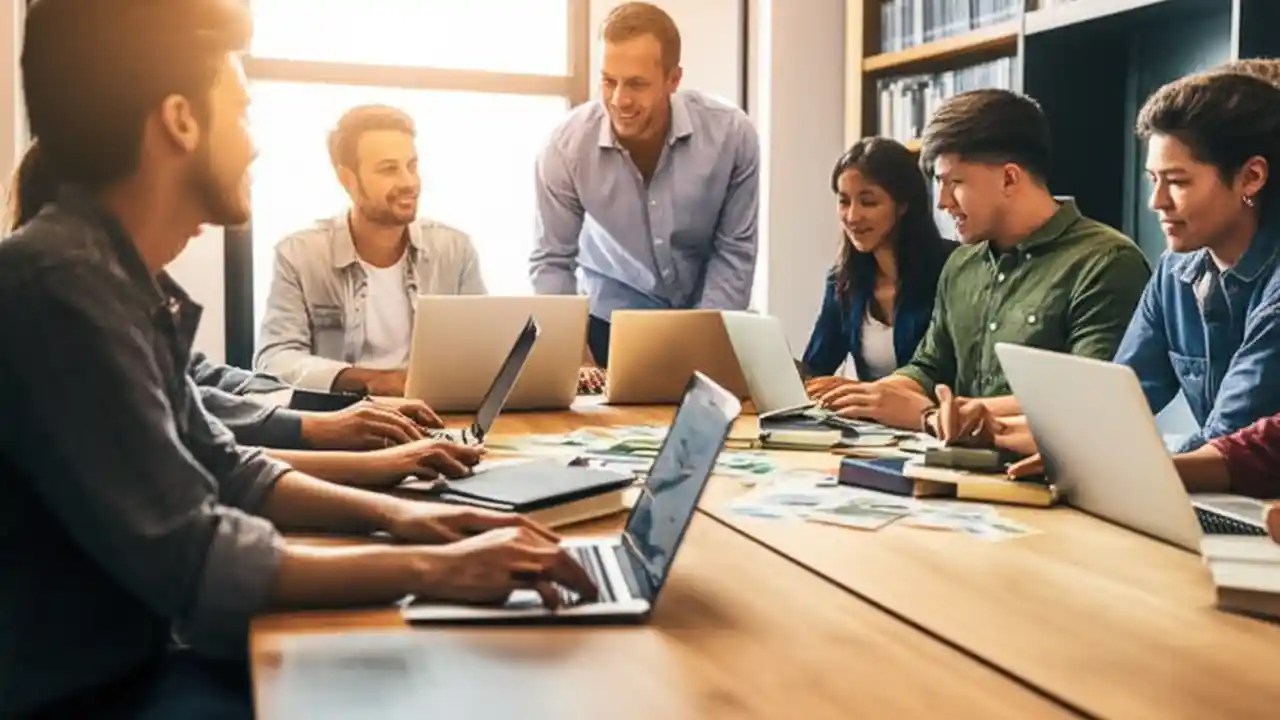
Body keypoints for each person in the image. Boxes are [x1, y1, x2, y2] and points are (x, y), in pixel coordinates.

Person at [1, 2, 593, 716]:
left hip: (143, 662)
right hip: (94, 696)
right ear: (181, 121)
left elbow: (228, 470)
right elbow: (200, 556)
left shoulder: (117, 280)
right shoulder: (58, 290)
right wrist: (439, 567)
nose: (254, 146)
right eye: (243, 112)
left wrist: (415, 519)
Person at [8, 141, 449, 453]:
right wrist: (336, 419)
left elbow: (207, 381)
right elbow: (209, 450)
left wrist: (336, 412)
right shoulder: (68, 315)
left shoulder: (138, 296)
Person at [807, 89, 1151, 432]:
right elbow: (929, 366)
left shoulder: (1105, 263)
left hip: (1049, 477)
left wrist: (936, 414)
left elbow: (1087, 398)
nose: (941, 202)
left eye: (954, 182)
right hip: (956, 467)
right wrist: (871, 395)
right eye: (938, 184)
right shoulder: (961, 265)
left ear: (1009, 178)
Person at [531, 1, 759, 367]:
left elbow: (734, 254)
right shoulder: (565, 148)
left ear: (674, 79)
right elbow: (553, 261)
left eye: (636, 84)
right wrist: (571, 351)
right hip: (607, 325)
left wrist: (702, 346)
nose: (620, 100)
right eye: (608, 81)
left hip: (705, 315)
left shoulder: (732, 136)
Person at [257, 104, 486, 397]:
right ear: (347, 179)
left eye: (412, 166)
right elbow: (274, 359)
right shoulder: (299, 255)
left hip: (435, 417)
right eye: (389, 169)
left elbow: (480, 352)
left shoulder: (455, 250)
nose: (408, 182)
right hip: (340, 422)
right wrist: (369, 381)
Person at [1113, 70, 1280, 451]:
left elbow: (1225, 439)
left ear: (1251, 177)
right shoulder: (1173, 272)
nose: (1157, 202)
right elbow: (1119, 402)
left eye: (1178, 181)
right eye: (1152, 179)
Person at [801, 138, 957, 382]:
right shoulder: (842, 281)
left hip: (928, 416)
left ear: (903, 204)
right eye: (844, 201)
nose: (852, 217)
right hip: (864, 419)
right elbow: (815, 370)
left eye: (868, 202)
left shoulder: (953, 268)